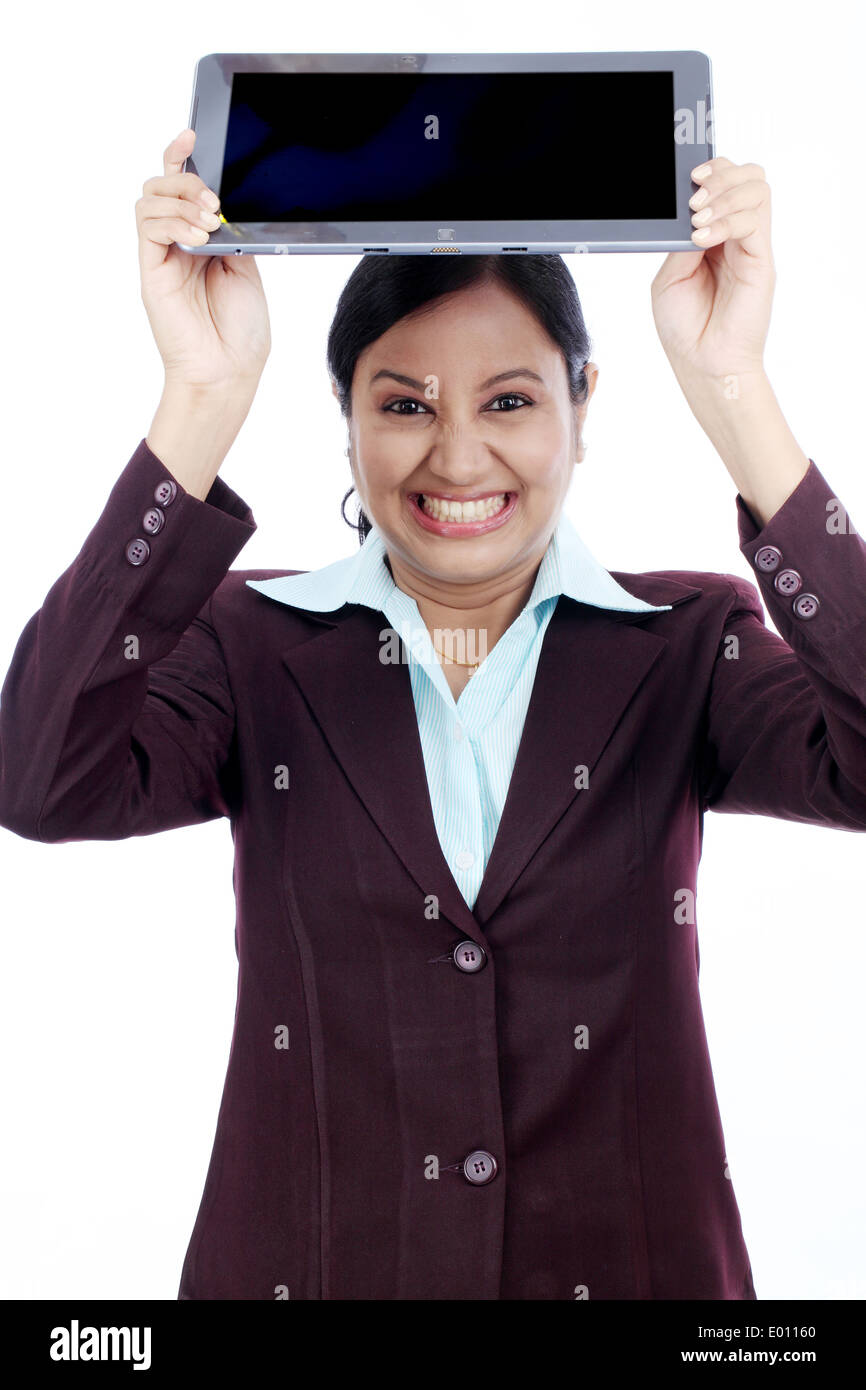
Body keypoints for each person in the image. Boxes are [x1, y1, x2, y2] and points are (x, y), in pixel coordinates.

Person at [1, 128, 865, 1301]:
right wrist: (201, 396)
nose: (457, 456)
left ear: (580, 401)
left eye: (509, 398)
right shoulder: (247, 640)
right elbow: (41, 781)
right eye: (402, 403)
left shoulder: (685, 646)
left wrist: (731, 386)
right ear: (345, 415)